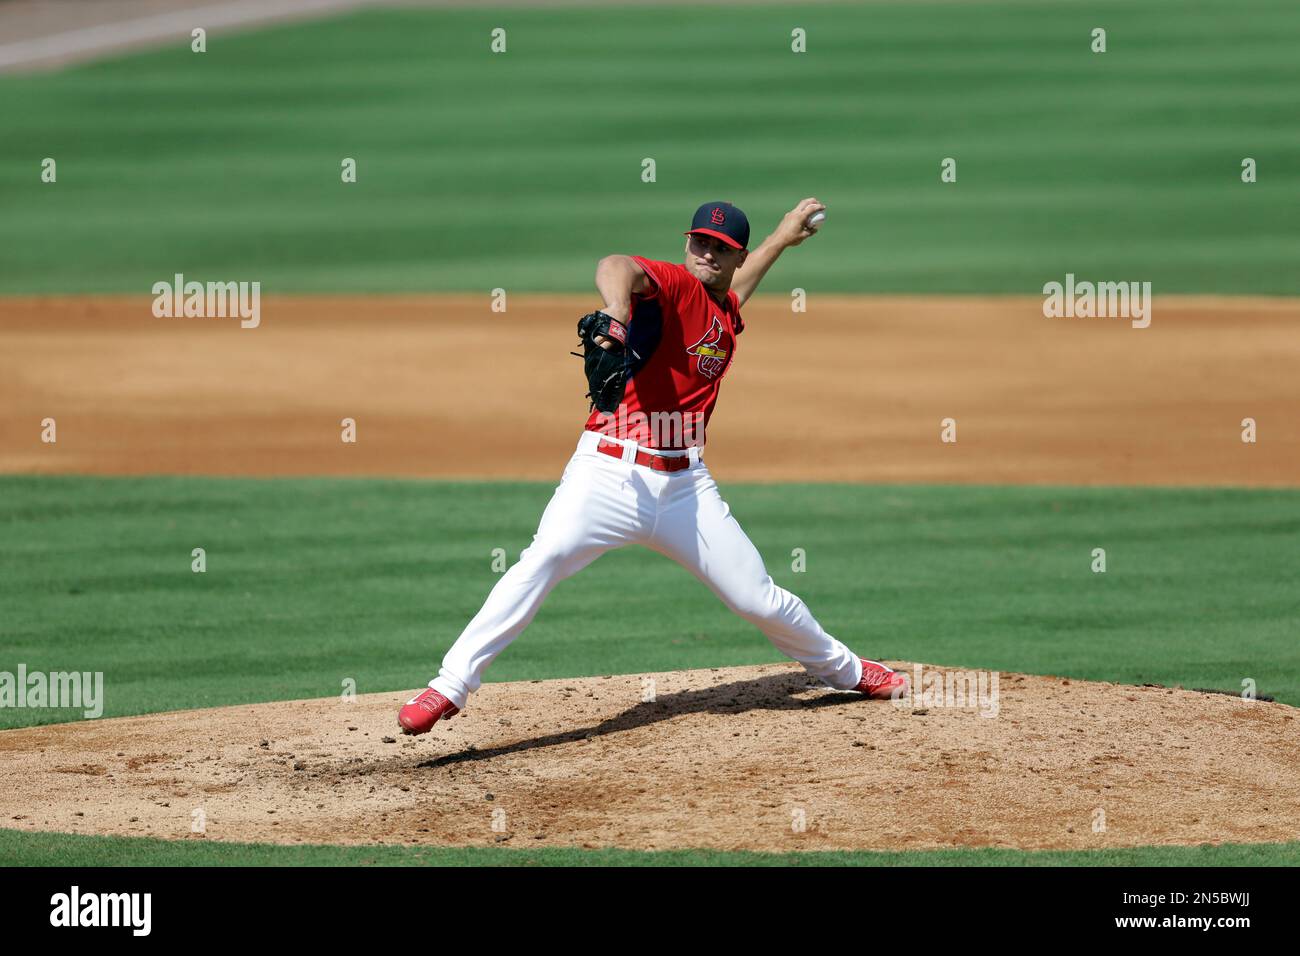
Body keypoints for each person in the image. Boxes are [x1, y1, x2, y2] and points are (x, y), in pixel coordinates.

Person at [399, 198, 907, 735]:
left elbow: (736, 290)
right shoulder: (674, 284)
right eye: (700, 242)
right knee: (542, 559)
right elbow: (616, 264)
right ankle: (448, 687)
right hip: (606, 476)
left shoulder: (722, 307)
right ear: (686, 244)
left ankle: (848, 671)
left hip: (686, 486)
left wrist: (780, 239)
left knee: (756, 597)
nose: (707, 253)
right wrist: (617, 313)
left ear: (736, 256)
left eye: (722, 248)